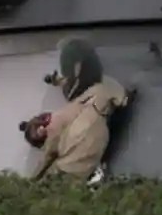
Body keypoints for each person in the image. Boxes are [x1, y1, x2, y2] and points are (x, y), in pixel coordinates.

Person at [21, 38, 130, 184]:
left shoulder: (72, 123)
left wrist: (35, 179)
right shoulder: (94, 87)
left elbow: (52, 155)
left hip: (81, 154)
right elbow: (75, 83)